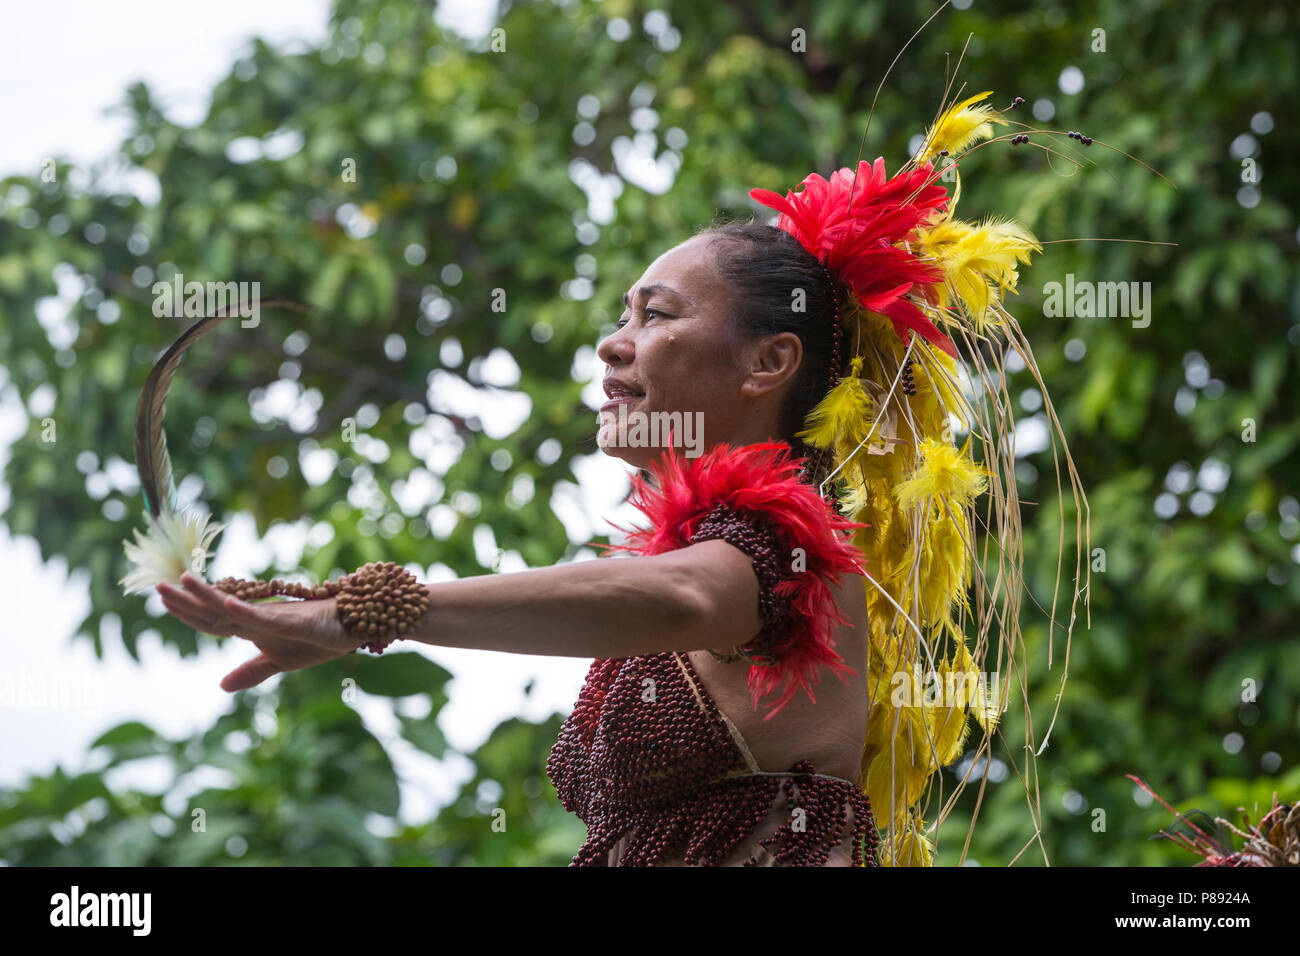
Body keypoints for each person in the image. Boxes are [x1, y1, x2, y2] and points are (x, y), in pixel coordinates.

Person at [141, 93, 1080, 865]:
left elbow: (677, 600)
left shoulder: (793, 547)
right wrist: (322, 604)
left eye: (657, 314)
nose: (611, 342)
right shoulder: (708, 552)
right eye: (622, 313)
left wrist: (377, 614)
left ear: (769, 362)